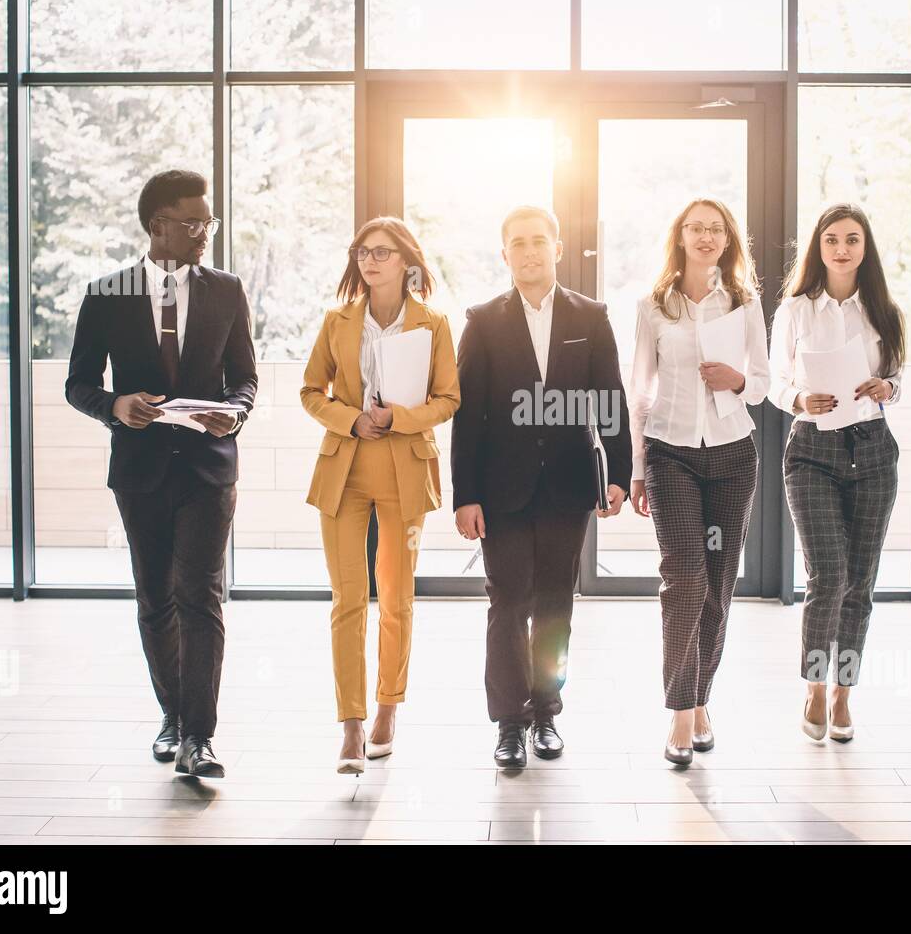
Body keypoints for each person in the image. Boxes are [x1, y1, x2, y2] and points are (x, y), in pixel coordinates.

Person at [65, 169, 257, 779]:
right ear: (158, 225)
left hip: (208, 469)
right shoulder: (107, 293)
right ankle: (172, 716)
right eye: (193, 222)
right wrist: (115, 407)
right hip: (140, 469)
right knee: (155, 597)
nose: (205, 233)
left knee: (200, 596)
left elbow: (245, 378)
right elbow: (78, 384)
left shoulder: (226, 290)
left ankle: (200, 738)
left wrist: (236, 413)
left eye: (209, 222)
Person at [451, 205, 632, 769]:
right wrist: (465, 494)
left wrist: (619, 475)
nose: (529, 251)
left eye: (539, 241)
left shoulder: (592, 316)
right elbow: (468, 414)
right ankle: (509, 723)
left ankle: (547, 713)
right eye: (517, 243)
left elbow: (610, 398)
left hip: (568, 486)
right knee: (506, 603)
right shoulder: (482, 320)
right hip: (500, 490)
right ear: (504, 254)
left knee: (554, 604)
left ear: (557, 248)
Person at [300, 217, 459, 774]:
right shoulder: (336, 320)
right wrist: (349, 420)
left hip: (404, 472)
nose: (371, 261)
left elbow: (448, 399)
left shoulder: (432, 324)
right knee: (348, 600)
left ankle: (388, 709)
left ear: (406, 262)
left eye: (383, 252)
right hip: (343, 471)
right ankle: (350, 725)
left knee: (395, 598)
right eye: (364, 252)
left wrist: (400, 418)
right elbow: (309, 390)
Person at [629, 197, 769, 767]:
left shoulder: (744, 304)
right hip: (670, 456)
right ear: (680, 237)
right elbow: (636, 391)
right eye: (695, 228)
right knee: (684, 578)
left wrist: (737, 379)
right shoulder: (653, 306)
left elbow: (761, 383)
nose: (706, 236)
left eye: (715, 229)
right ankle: (681, 711)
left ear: (728, 239)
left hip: (734, 453)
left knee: (718, 583)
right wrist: (637, 469)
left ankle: (700, 699)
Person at [769, 204, 906, 745]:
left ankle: (844, 693)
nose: (842, 248)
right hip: (812, 450)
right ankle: (814, 687)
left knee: (861, 582)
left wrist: (886, 388)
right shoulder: (795, 310)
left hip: (872, 451)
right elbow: (775, 382)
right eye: (831, 239)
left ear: (865, 247)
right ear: (818, 247)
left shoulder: (885, 311)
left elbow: (897, 375)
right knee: (828, 575)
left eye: (852, 239)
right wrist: (800, 396)